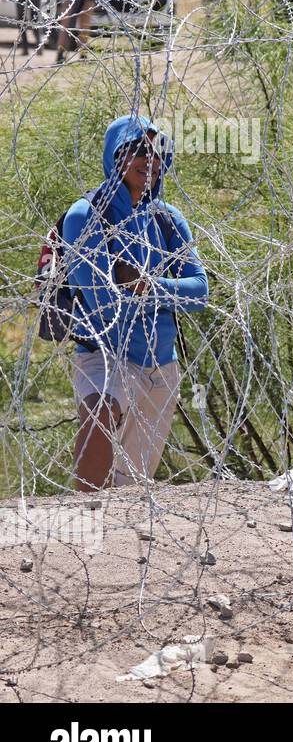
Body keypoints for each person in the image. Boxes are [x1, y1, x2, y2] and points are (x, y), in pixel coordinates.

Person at [62, 115, 209, 491]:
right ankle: (80, 537)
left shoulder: (167, 220)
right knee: (101, 414)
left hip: (161, 368)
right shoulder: (86, 216)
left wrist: (147, 286)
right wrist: (162, 294)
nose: (151, 160)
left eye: (159, 151)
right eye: (139, 150)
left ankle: (113, 546)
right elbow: (103, 303)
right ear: (115, 155)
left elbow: (200, 292)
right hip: (107, 356)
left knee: (129, 488)